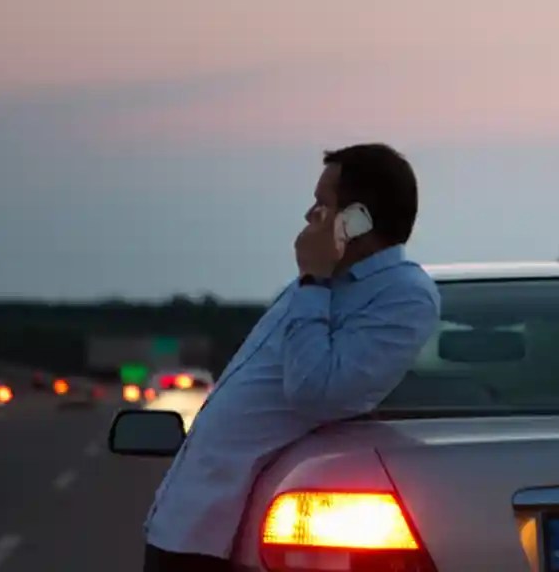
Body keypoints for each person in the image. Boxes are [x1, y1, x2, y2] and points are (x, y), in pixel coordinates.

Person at [142, 143, 441, 571]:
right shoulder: (320, 284)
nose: (308, 216)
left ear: (355, 221)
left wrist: (314, 282)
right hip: (188, 524)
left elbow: (316, 393)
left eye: (322, 204)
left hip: (225, 536)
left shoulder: (401, 295)